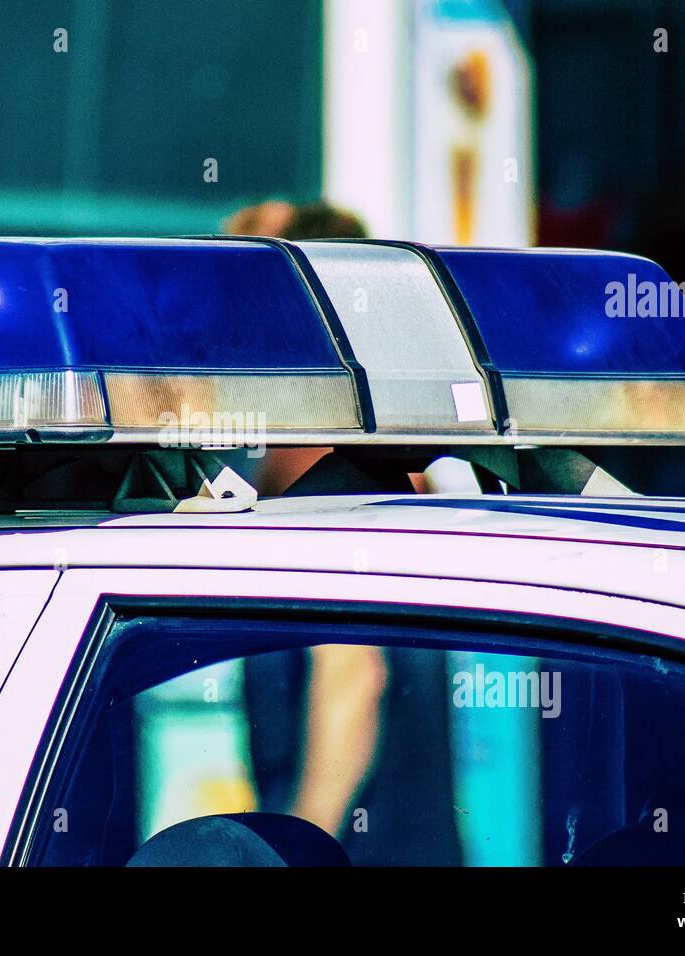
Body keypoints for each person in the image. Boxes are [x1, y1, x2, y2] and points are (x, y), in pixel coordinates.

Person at [225, 200, 463, 865]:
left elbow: (353, 675)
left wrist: (301, 846)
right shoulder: (389, 457)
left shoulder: (329, 464)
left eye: (249, 295)